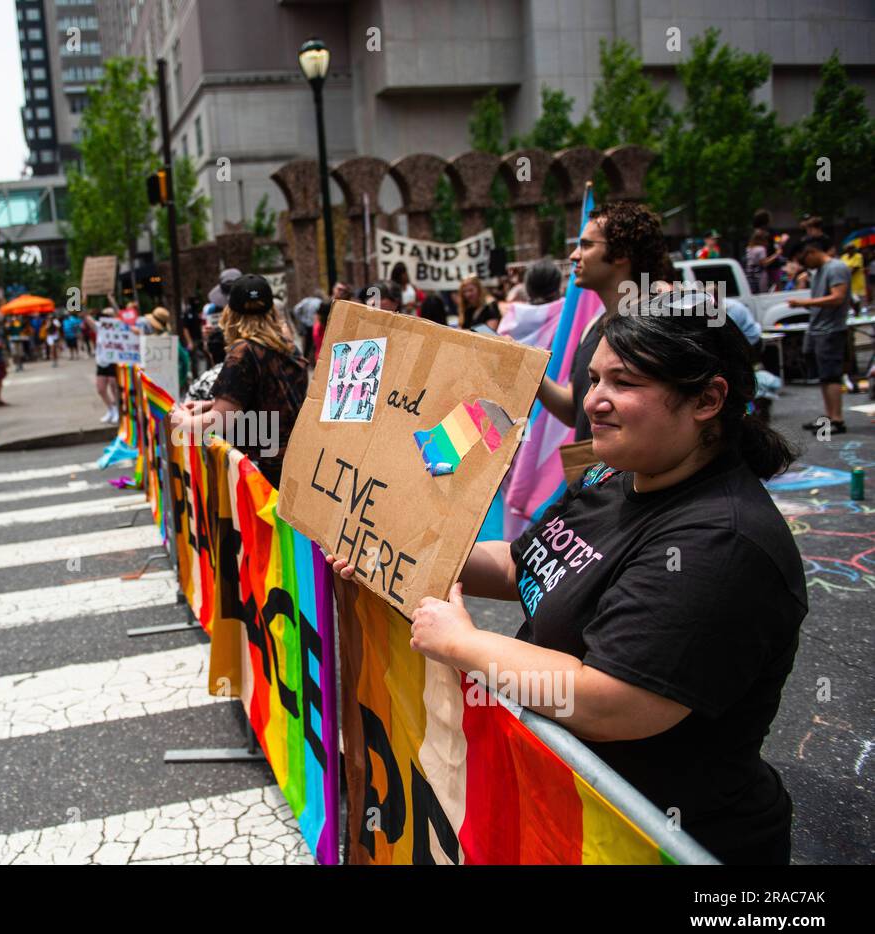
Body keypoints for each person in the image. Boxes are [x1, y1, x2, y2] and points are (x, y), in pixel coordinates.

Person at [330, 304, 806, 864]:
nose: (592, 401)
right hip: (561, 813)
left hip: (663, 840)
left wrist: (459, 642)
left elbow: (611, 702)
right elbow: (523, 564)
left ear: (707, 401)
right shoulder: (613, 471)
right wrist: (406, 549)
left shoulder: (722, 543)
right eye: (595, 378)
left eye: (624, 383)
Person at [537, 200, 672, 441]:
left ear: (621, 253)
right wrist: (529, 371)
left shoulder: (658, 325)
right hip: (595, 475)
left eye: (586, 245)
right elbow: (575, 411)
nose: (574, 255)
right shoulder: (592, 325)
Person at [170, 274, 309, 487]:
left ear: (230, 313)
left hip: (261, 470)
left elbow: (222, 418)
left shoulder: (242, 352)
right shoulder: (288, 347)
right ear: (271, 310)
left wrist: (183, 421)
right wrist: (207, 405)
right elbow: (269, 397)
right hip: (296, 461)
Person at [789, 237, 852, 434]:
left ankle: (837, 419)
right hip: (818, 329)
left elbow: (838, 297)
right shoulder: (819, 272)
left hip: (831, 330)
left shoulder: (835, 268)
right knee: (824, 377)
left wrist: (804, 304)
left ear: (812, 252)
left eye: (804, 259)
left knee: (831, 376)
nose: (804, 265)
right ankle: (829, 417)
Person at [89, 307, 120, 423]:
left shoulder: (118, 328)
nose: (107, 318)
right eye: (105, 315)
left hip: (114, 361)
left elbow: (120, 315)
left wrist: (111, 299)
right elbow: (86, 317)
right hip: (102, 362)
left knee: (113, 386)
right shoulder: (99, 327)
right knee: (101, 389)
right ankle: (110, 409)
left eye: (110, 316)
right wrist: (83, 299)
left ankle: (117, 410)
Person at [841, 243, 866, 314]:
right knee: (849, 298)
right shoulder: (844, 257)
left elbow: (855, 268)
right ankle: (853, 312)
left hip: (856, 281)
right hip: (847, 281)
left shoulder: (858, 256)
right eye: (849, 249)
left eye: (852, 248)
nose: (851, 250)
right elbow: (841, 266)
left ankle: (858, 313)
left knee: (857, 299)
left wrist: (845, 274)